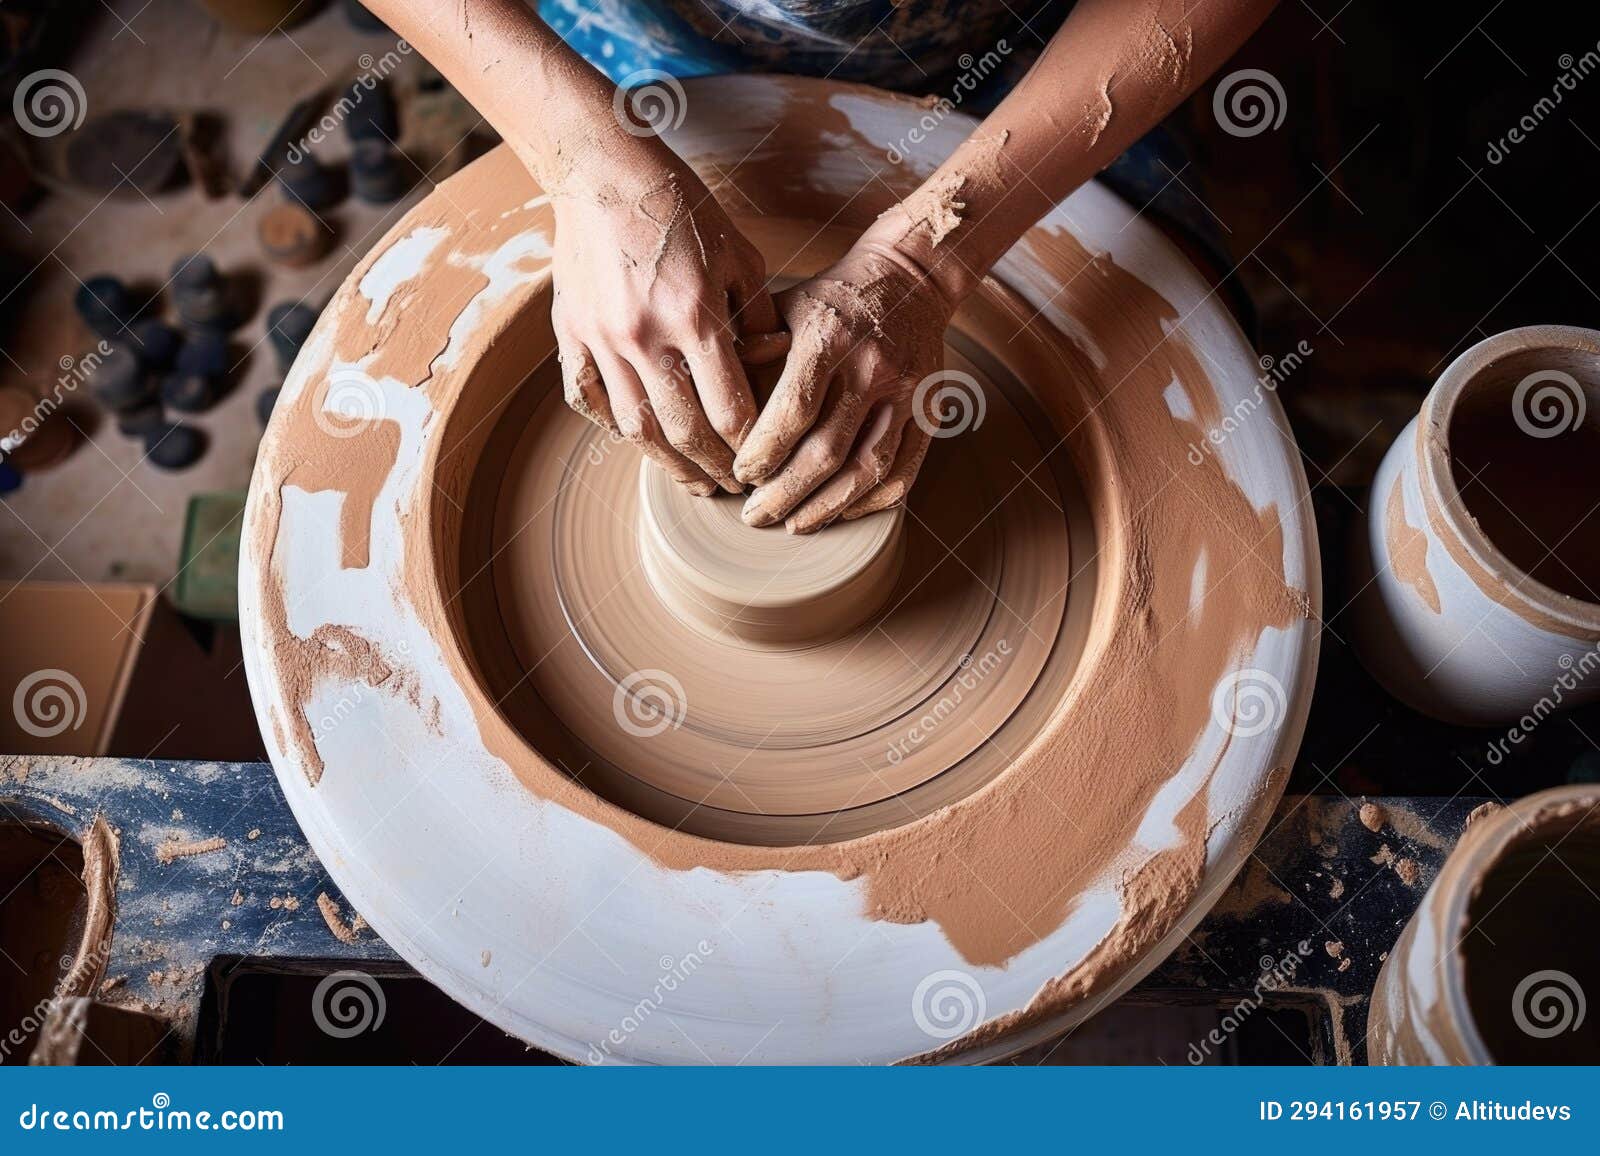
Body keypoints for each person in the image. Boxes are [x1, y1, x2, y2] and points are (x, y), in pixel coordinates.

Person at [367, 0, 1277, 532]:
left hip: (1050, 48)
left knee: (1200, 398)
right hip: (635, 35)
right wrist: (588, 162)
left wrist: (925, 265)